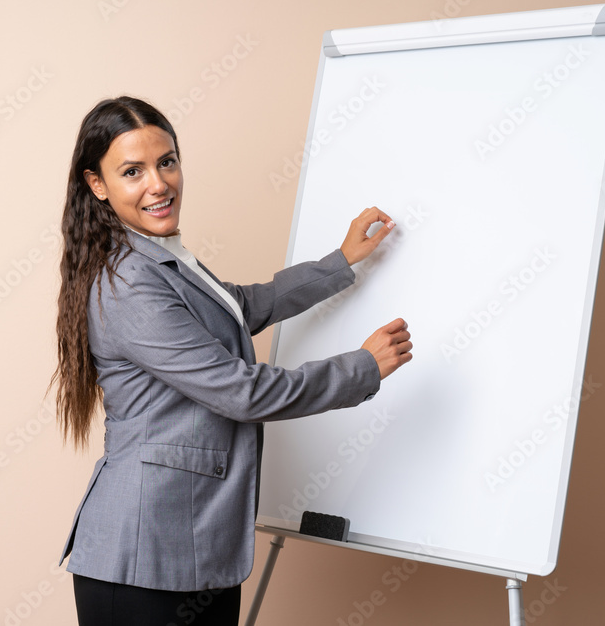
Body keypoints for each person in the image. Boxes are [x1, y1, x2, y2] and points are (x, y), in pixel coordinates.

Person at [51, 95, 412, 626]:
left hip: (195, 550)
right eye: (133, 171)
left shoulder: (160, 257)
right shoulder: (129, 282)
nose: (159, 184)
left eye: (166, 161)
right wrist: (360, 368)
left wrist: (342, 262)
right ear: (98, 184)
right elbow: (241, 391)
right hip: (141, 558)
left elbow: (240, 306)